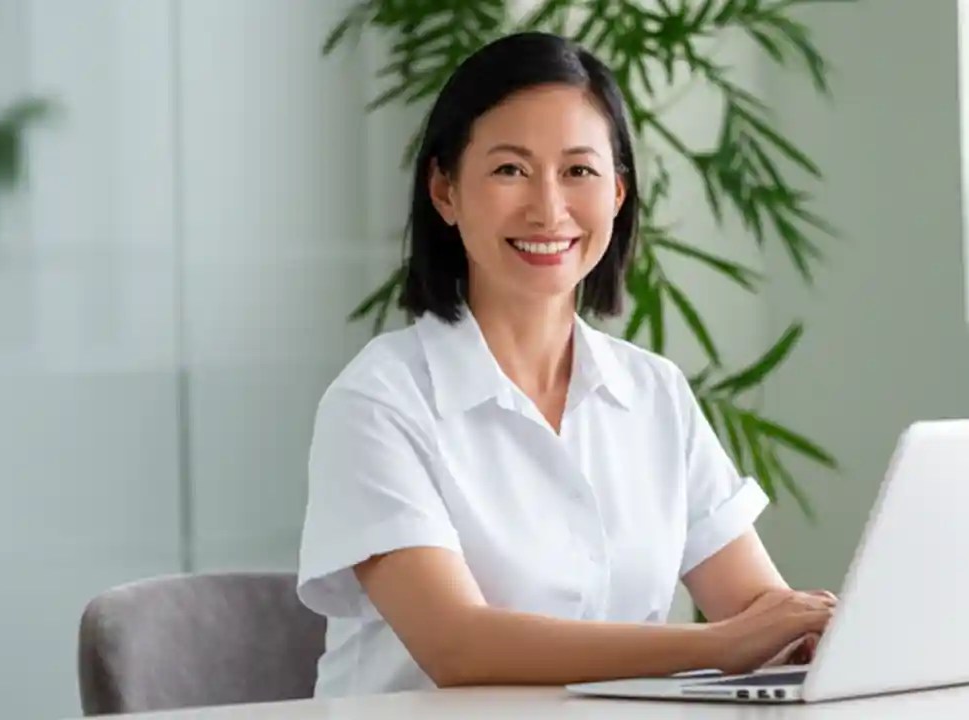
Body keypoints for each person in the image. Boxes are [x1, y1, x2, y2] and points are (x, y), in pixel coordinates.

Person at [296, 30, 835, 698]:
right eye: (509, 170)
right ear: (445, 191)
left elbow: (761, 614)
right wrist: (717, 646)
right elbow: (457, 646)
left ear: (616, 193)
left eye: (579, 171)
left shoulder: (654, 393)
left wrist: (821, 629)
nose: (548, 208)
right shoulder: (381, 401)